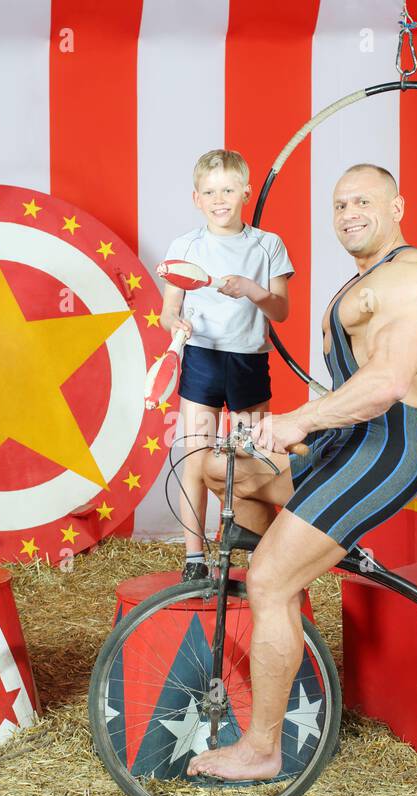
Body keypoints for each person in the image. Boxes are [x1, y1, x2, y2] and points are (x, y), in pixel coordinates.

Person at [185, 163, 417, 781]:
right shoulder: (370, 276)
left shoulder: (413, 279)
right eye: (339, 204)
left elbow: (385, 385)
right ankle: (279, 591)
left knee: (268, 582)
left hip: (377, 456)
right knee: (224, 472)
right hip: (344, 443)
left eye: (364, 201)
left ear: (398, 207)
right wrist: (293, 428)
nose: (349, 213)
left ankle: (261, 748)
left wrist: (297, 421)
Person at [157, 149, 293, 582]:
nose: (220, 199)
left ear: (246, 193)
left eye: (229, 190)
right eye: (211, 192)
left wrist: (253, 290)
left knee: (252, 460)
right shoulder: (186, 246)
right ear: (197, 198)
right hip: (201, 358)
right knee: (195, 458)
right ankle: (194, 557)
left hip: (248, 361)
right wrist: (173, 322)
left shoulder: (267, 245)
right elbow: (167, 310)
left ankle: (258, 556)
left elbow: (281, 312)